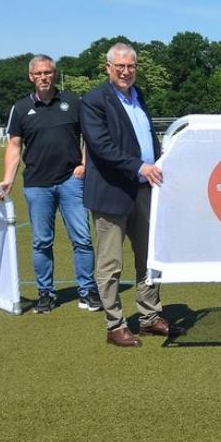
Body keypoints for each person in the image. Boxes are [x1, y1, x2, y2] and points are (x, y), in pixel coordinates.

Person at [80, 43, 186, 347]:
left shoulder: (139, 97)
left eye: (131, 66)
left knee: (149, 258)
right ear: (108, 68)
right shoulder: (94, 100)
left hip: (144, 190)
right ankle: (115, 325)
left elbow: (147, 141)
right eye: (120, 67)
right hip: (111, 193)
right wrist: (140, 166)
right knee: (111, 265)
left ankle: (150, 317)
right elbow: (102, 147)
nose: (126, 72)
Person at [0, 55, 101, 315]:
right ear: (31, 76)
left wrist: (84, 165)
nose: (44, 77)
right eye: (39, 73)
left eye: (48, 72)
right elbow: (14, 145)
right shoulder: (20, 108)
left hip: (70, 181)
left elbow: (89, 136)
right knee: (42, 242)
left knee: (83, 239)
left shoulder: (73, 102)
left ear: (55, 74)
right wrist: (8, 178)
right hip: (37, 185)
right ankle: (46, 293)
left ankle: (87, 290)